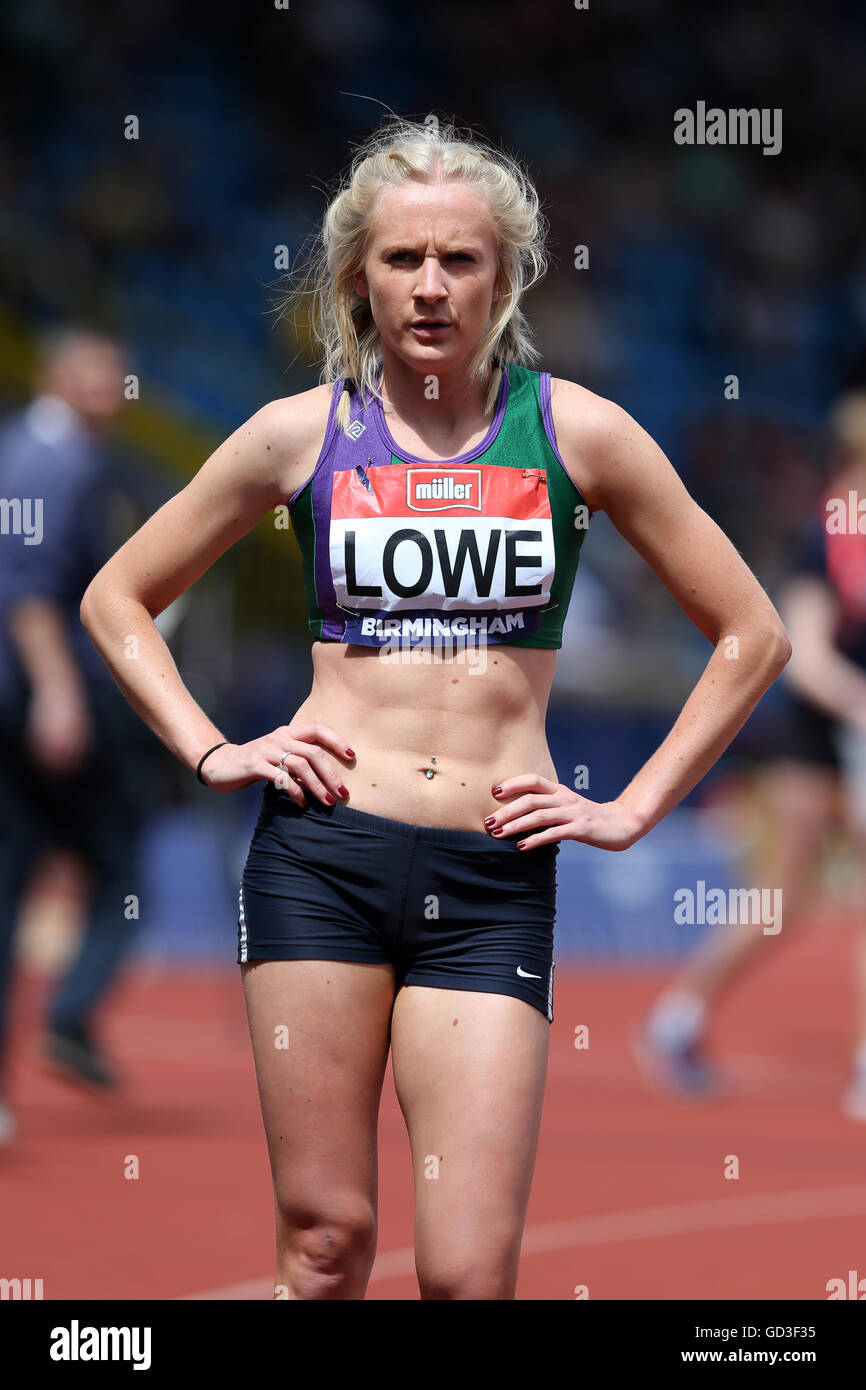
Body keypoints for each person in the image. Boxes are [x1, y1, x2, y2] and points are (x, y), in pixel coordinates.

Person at [80, 116, 790, 1300]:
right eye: (402, 258)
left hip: (490, 873)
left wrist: (633, 808)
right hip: (319, 858)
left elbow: (751, 632)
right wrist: (209, 746)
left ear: (504, 274)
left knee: (465, 1271)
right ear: (356, 272)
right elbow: (117, 596)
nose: (428, 285)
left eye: (458, 259)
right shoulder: (297, 437)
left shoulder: (581, 433)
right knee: (324, 1241)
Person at [638, 390, 866, 1119]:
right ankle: (678, 1018)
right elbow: (803, 652)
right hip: (812, 746)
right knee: (780, 902)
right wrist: (858, 702)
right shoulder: (821, 535)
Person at [0, 327, 144, 1145]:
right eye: (98, 378)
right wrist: (59, 693)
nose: (115, 394)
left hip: (15, 700)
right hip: (43, 704)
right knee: (122, 868)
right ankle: (72, 1012)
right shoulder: (59, 463)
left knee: (12, 883)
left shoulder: (19, 448)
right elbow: (28, 590)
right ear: (58, 377)